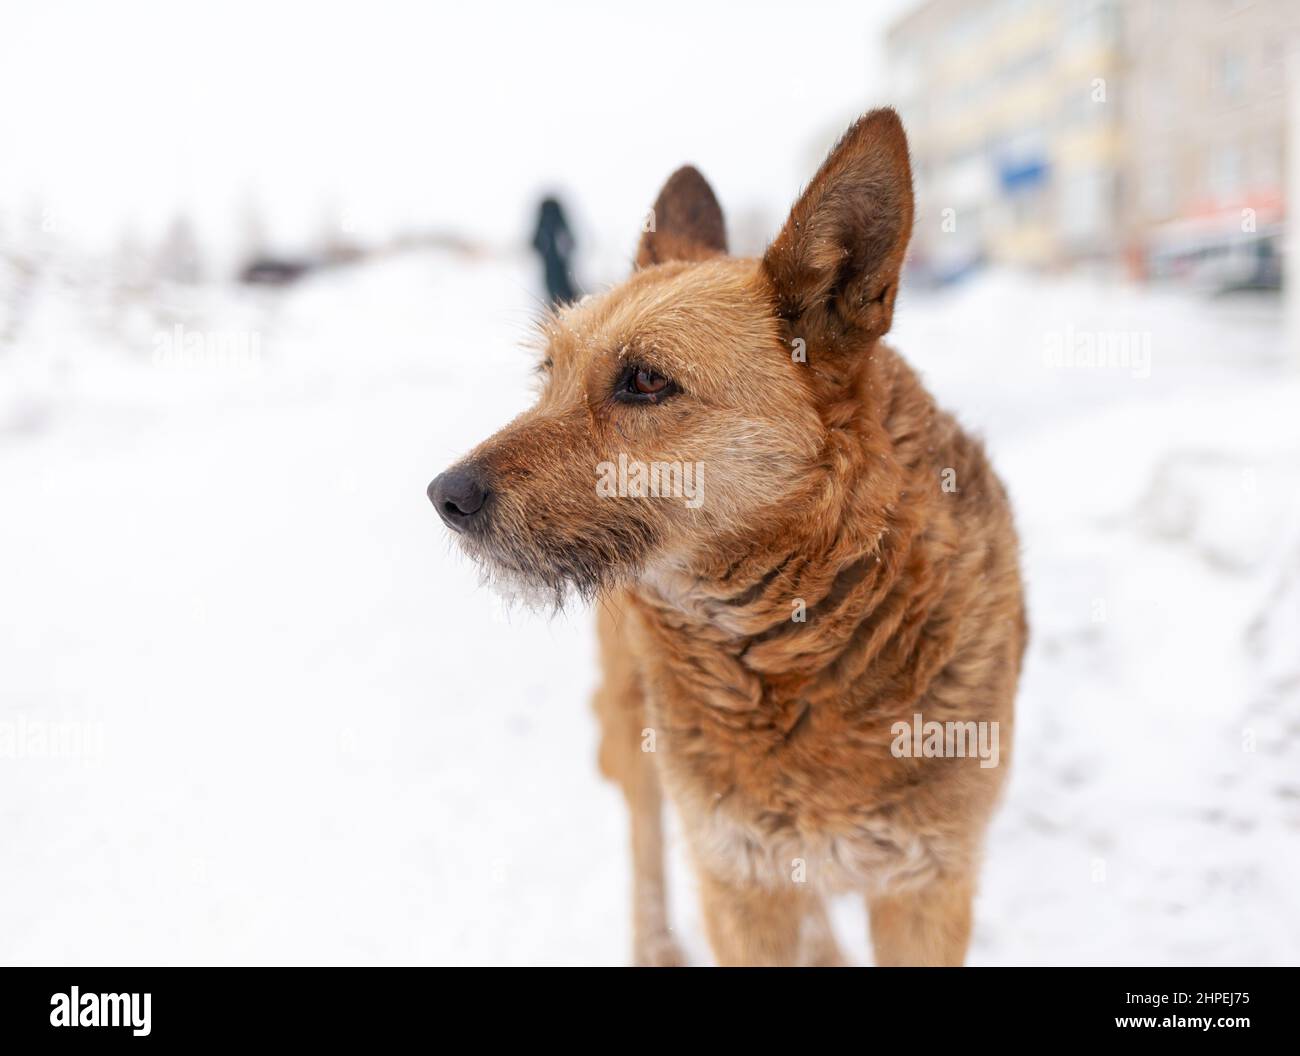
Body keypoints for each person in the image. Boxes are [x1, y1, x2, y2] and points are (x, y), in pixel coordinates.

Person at [531, 197, 578, 306]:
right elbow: (535, 243)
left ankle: (562, 308)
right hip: (555, 265)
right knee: (559, 291)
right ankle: (563, 308)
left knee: (560, 290)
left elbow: (571, 242)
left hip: (558, 266)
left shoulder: (547, 222)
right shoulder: (549, 223)